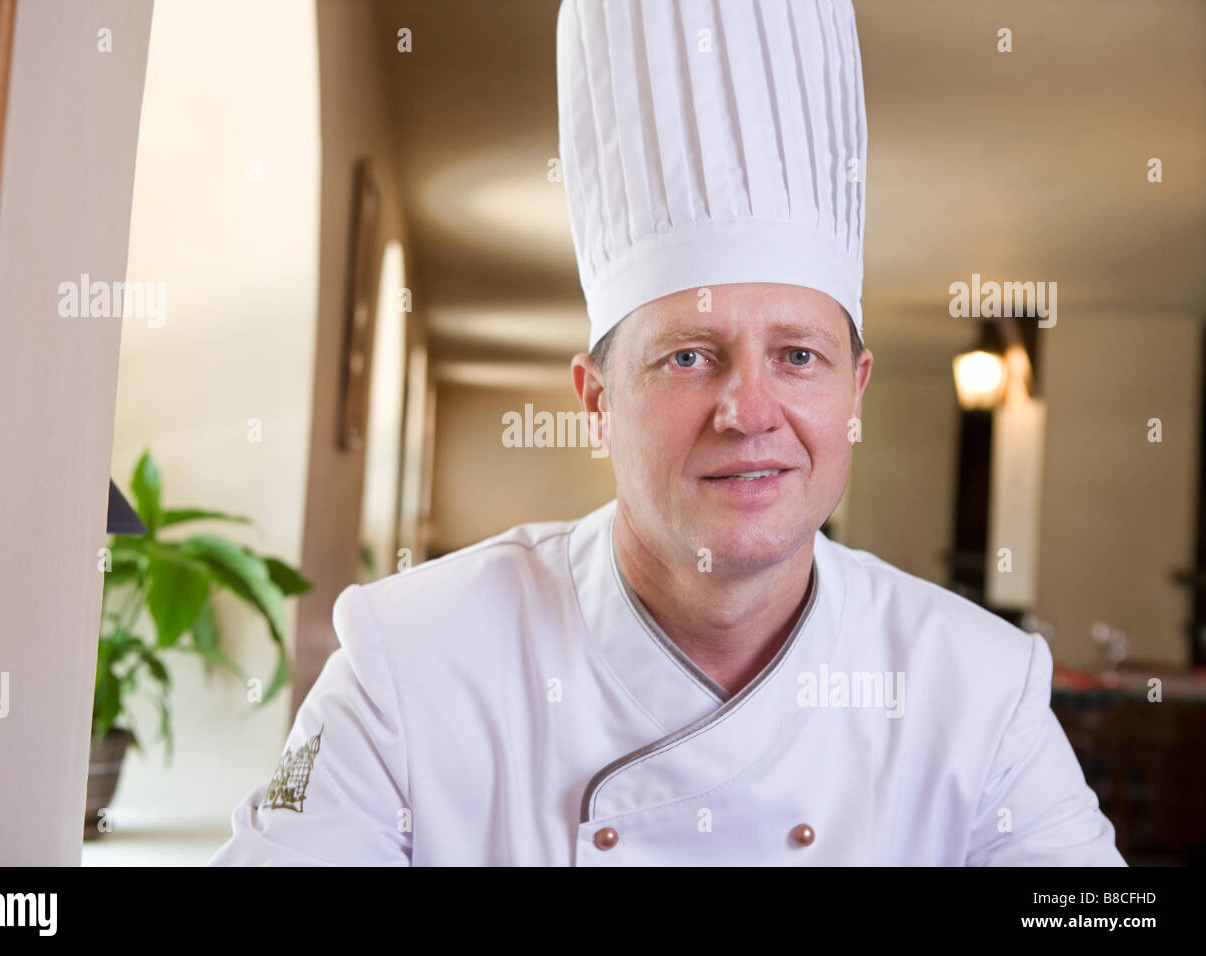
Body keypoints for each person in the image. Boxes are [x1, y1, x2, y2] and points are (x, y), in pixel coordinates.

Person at [209, 0, 1125, 866]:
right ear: (596, 400)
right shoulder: (408, 659)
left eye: (799, 357)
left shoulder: (979, 688)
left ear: (857, 392)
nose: (749, 410)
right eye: (689, 356)